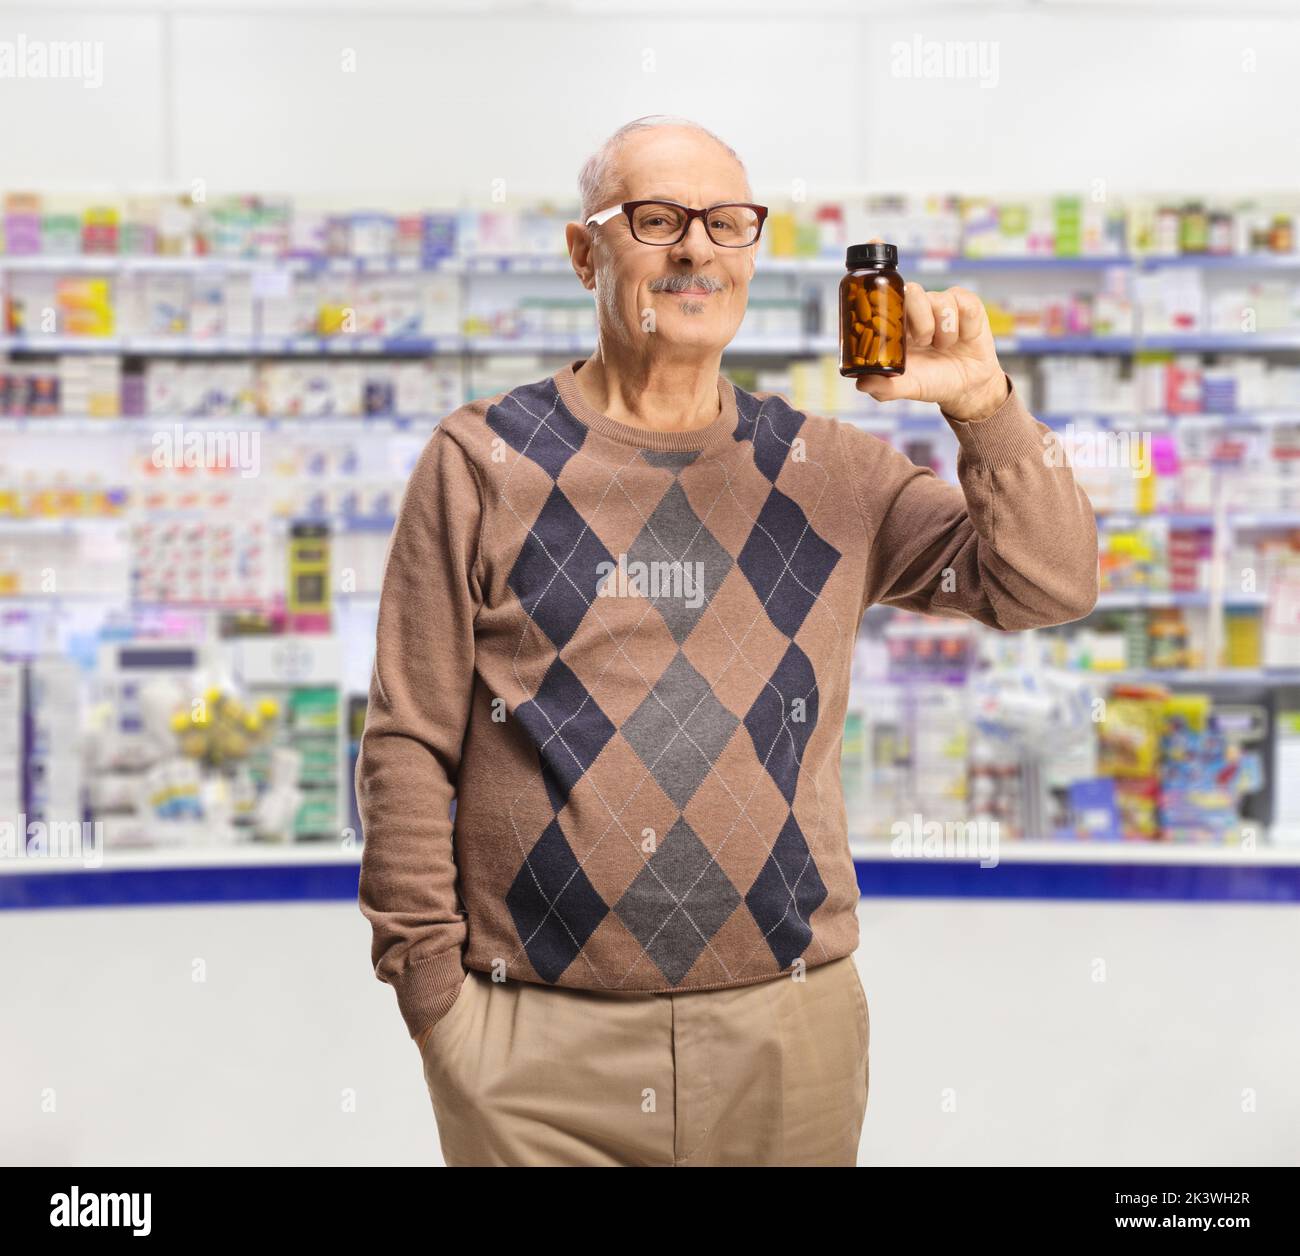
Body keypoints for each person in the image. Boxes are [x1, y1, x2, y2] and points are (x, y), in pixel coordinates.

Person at [356, 114, 1099, 1167]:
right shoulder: (482, 460)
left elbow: (1049, 582)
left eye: (726, 222)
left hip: (786, 1037)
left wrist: (985, 409)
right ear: (586, 252)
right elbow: (406, 738)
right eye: (654, 219)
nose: (695, 248)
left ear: (752, 252)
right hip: (533, 1049)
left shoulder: (831, 472)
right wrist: (435, 995)